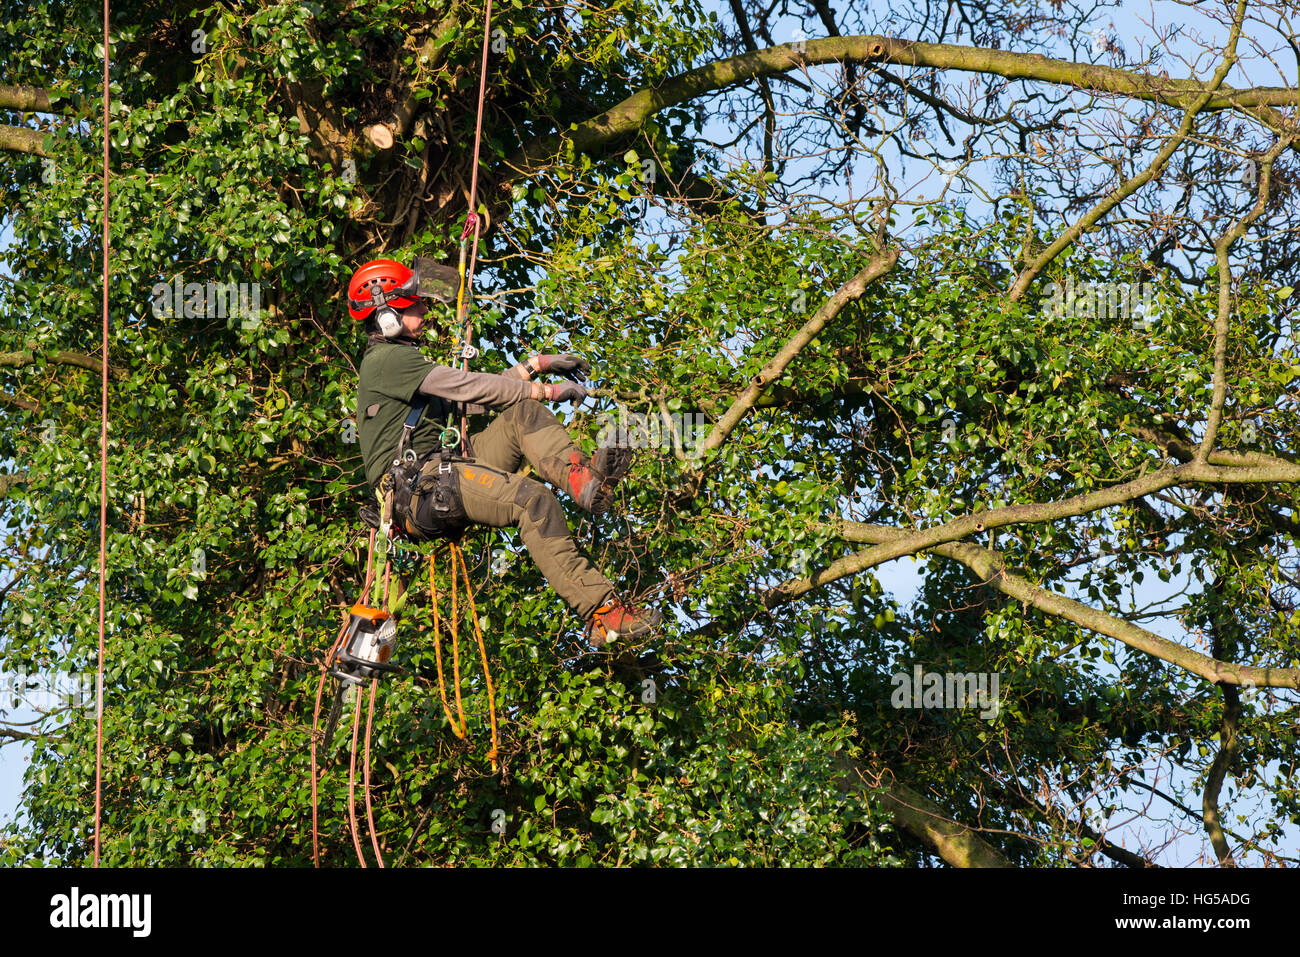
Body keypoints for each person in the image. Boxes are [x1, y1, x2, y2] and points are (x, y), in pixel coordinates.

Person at [348, 257, 661, 647]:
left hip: (443, 469)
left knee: (523, 415)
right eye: (416, 304)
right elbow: (469, 387)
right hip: (420, 489)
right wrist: (545, 389)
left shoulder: (401, 363)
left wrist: (536, 366)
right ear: (386, 314)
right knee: (533, 502)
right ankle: (603, 613)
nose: (426, 310)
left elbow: (471, 402)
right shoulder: (388, 360)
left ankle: (581, 478)